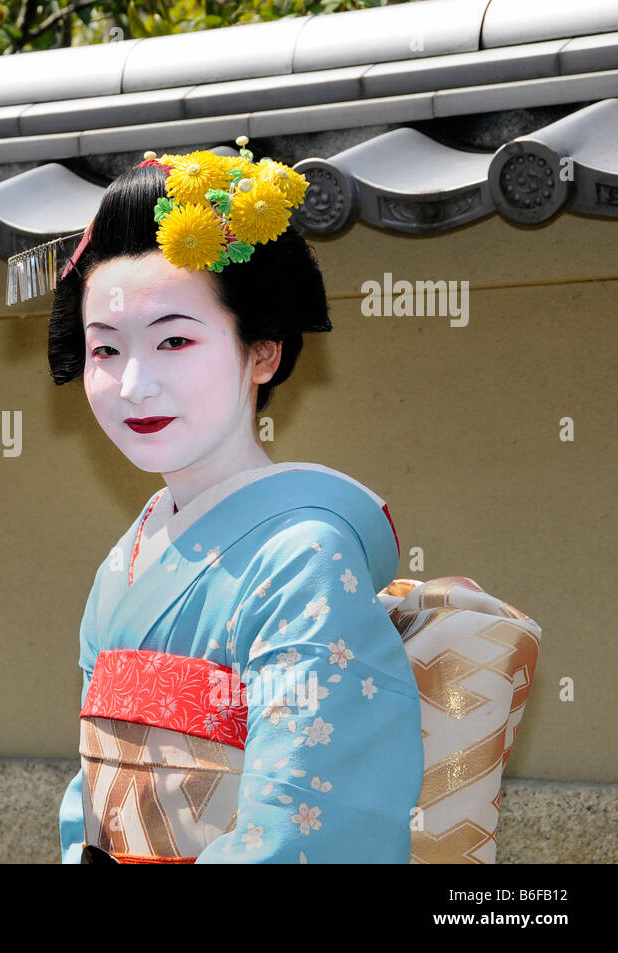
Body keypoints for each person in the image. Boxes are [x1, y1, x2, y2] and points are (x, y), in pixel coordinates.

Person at [32, 143, 423, 863]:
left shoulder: (305, 558)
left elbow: (314, 820)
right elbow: (90, 801)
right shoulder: (125, 562)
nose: (133, 384)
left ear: (262, 352)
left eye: (174, 339)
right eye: (105, 349)